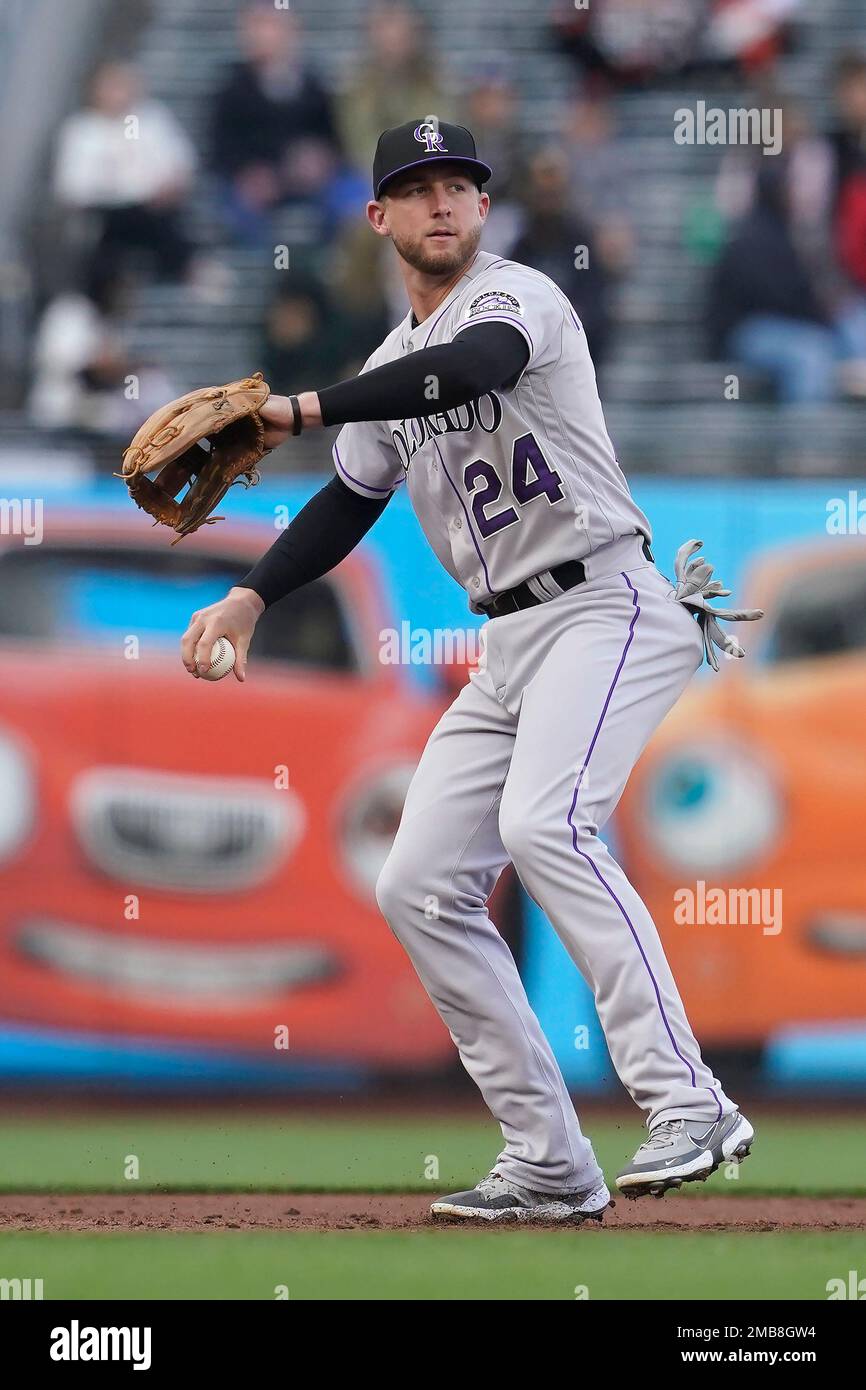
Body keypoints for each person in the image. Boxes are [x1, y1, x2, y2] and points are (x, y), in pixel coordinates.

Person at [180, 118, 755, 1222]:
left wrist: (298, 406)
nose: (440, 203)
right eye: (415, 187)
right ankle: (545, 1156)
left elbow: (469, 371)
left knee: (547, 827)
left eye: (458, 185)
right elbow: (349, 496)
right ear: (377, 217)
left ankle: (687, 1097)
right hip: (507, 645)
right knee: (416, 883)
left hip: (604, 606)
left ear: (483, 209)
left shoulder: (516, 301)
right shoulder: (387, 367)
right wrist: (250, 595)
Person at [53, 62, 196, 282]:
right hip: (106, 216)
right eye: (110, 87)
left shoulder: (145, 120)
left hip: (153, 209)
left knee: (163, 228)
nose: (117, 94)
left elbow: (178, 162)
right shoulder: (82, 130)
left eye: (121, 85)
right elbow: (72, 187)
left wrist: (165, 185)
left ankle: (187, 272)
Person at [210, 2, 340, 243]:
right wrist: (247, 173)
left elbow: (332, 136)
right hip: (252, 182)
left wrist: (319, 159)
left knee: (346, 201)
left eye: (271, 26)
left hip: (308, 181)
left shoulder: (313, 85)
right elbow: (220, 147)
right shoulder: (231, 89)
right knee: (240, 212)